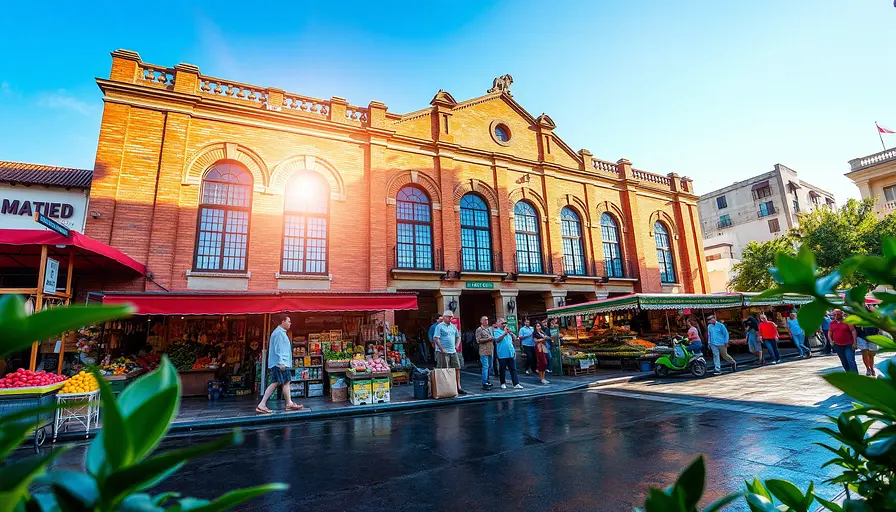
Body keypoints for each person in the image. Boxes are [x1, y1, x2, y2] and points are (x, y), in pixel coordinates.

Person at [256, 314, 302, 414]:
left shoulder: (280, 332)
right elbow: (278, 349)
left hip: (282, 363)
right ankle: (262, 404)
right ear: (283, 321)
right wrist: (281, 362)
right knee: (277, 382)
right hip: (280, 364)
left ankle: (289, 403)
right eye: (289, 321)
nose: (290, 323)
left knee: (285, 381)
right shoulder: (279, 333)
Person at [433, 310, 467, 395]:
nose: (451, 318)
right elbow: (436, 338)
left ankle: (458, 387)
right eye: (449, 317)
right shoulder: (439, 326)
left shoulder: (453, 326)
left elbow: (458, 336)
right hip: (443, 352)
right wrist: (441, 348)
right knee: (444, 370)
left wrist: (456, 345)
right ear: (444, 317)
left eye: (451, 317)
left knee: (457, 368)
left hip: (453, 351)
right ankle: (445, 388)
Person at [494, 317, 522, 389]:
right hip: (502, 354)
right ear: (498, 324)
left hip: (510, 353)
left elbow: (514, 339)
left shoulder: (508, 331)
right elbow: (497, 340)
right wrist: (504, 334)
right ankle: (502, 383)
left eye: (505, 323)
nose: (504, 324)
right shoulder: (496, 331)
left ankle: (516, 383)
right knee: (502, 369)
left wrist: (511, 333)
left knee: (513, 369)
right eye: (502, 323)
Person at [829, 309, 858, 373]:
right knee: (844, 361)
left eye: (838, 314)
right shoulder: (832, 323)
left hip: (849, 344)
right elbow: (830, 332)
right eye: (834, 314)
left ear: (841, 314)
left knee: (850, 360)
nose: (836, 316)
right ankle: (849, 374)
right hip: (838, 345)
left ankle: (856, 376)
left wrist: (855, 342)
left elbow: (853, 331)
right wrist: (831, 341)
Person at [476, 316, 495, 390]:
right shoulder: (479, 329)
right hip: (483, 351)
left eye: (487, 320)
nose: (486, 321)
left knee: (490, 366)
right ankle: (484, 382)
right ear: (481, 321)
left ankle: (487, 380)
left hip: (490, 350)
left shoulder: (489, 329)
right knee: (485, 366)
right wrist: (488, 339)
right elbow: (478, 340)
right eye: (484, 320)